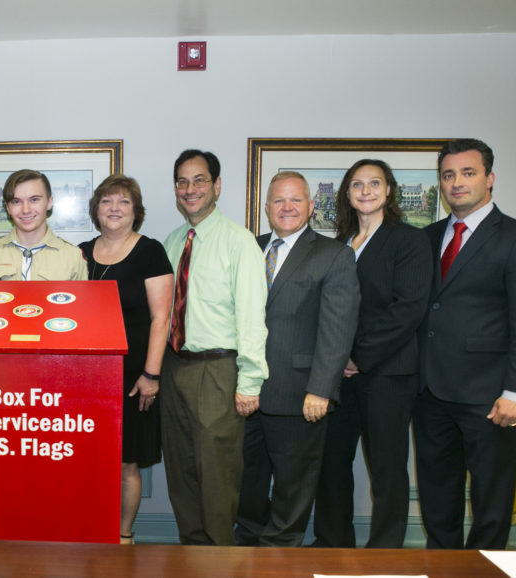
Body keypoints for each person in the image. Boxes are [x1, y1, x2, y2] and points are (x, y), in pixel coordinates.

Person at [414, 138, 516, 549]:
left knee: (490, 504)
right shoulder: (427, 238)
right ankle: (442, 569)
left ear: (489, 179)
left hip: (491, 396)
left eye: (468, 173)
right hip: (429, 393)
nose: (457, 182)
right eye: (448, 175)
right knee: (437, 501)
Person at [236, 171, 359, 547]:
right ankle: (247, 551)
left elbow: (337, 331)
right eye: (278, 200)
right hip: (245, 393)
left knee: (293, 486)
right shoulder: (248, 248)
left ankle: (279, 558)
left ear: (309, 206)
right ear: (267, 207)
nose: (286, 207)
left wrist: (321, 390)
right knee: (246, 481)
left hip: (300, 393)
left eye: (295, 200)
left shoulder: (334, 254)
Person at [312, 159, 431, 548]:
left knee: (387, 469)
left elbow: (408, 309)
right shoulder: (338, 244)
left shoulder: (408, 241)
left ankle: (385, 552)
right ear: (346, 193)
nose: (366, 191)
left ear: (390, 190)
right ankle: (332, 543)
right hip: (337, 377)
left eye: (374, 183)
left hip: (387, 375)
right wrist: (336, 360)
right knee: (331, 464)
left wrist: (357, 357)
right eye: (357, 184)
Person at [161, 149, 268, 546]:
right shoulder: (173, 242)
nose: (190, 189)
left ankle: (220, 561)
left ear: (217, 186)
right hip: (174, 369)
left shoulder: (239, 242)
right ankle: (192, 556)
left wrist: (250, 381)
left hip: (218, 371)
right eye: (183, 182)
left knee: (217, 475)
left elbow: (252, 318)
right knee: (182, 471)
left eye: (199, 180)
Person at [78, 175, 173, 544]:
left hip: (134, 377)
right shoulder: (81, 253)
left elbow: (161, 318)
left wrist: (151, 374)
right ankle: (90, 529)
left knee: (126, 463)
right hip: (87, 379)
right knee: (88, 459)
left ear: (136, 211)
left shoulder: (150, 251)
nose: (114, 209)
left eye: (123, 202)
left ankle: (122, 535)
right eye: (106, 201)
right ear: (96, 210)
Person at [0, 169, 87, 281]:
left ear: (49, 203)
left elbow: (80, 306)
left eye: (34, 200)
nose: (26, 210)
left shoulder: (73, 257)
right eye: (16, 202)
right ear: (8, 208)